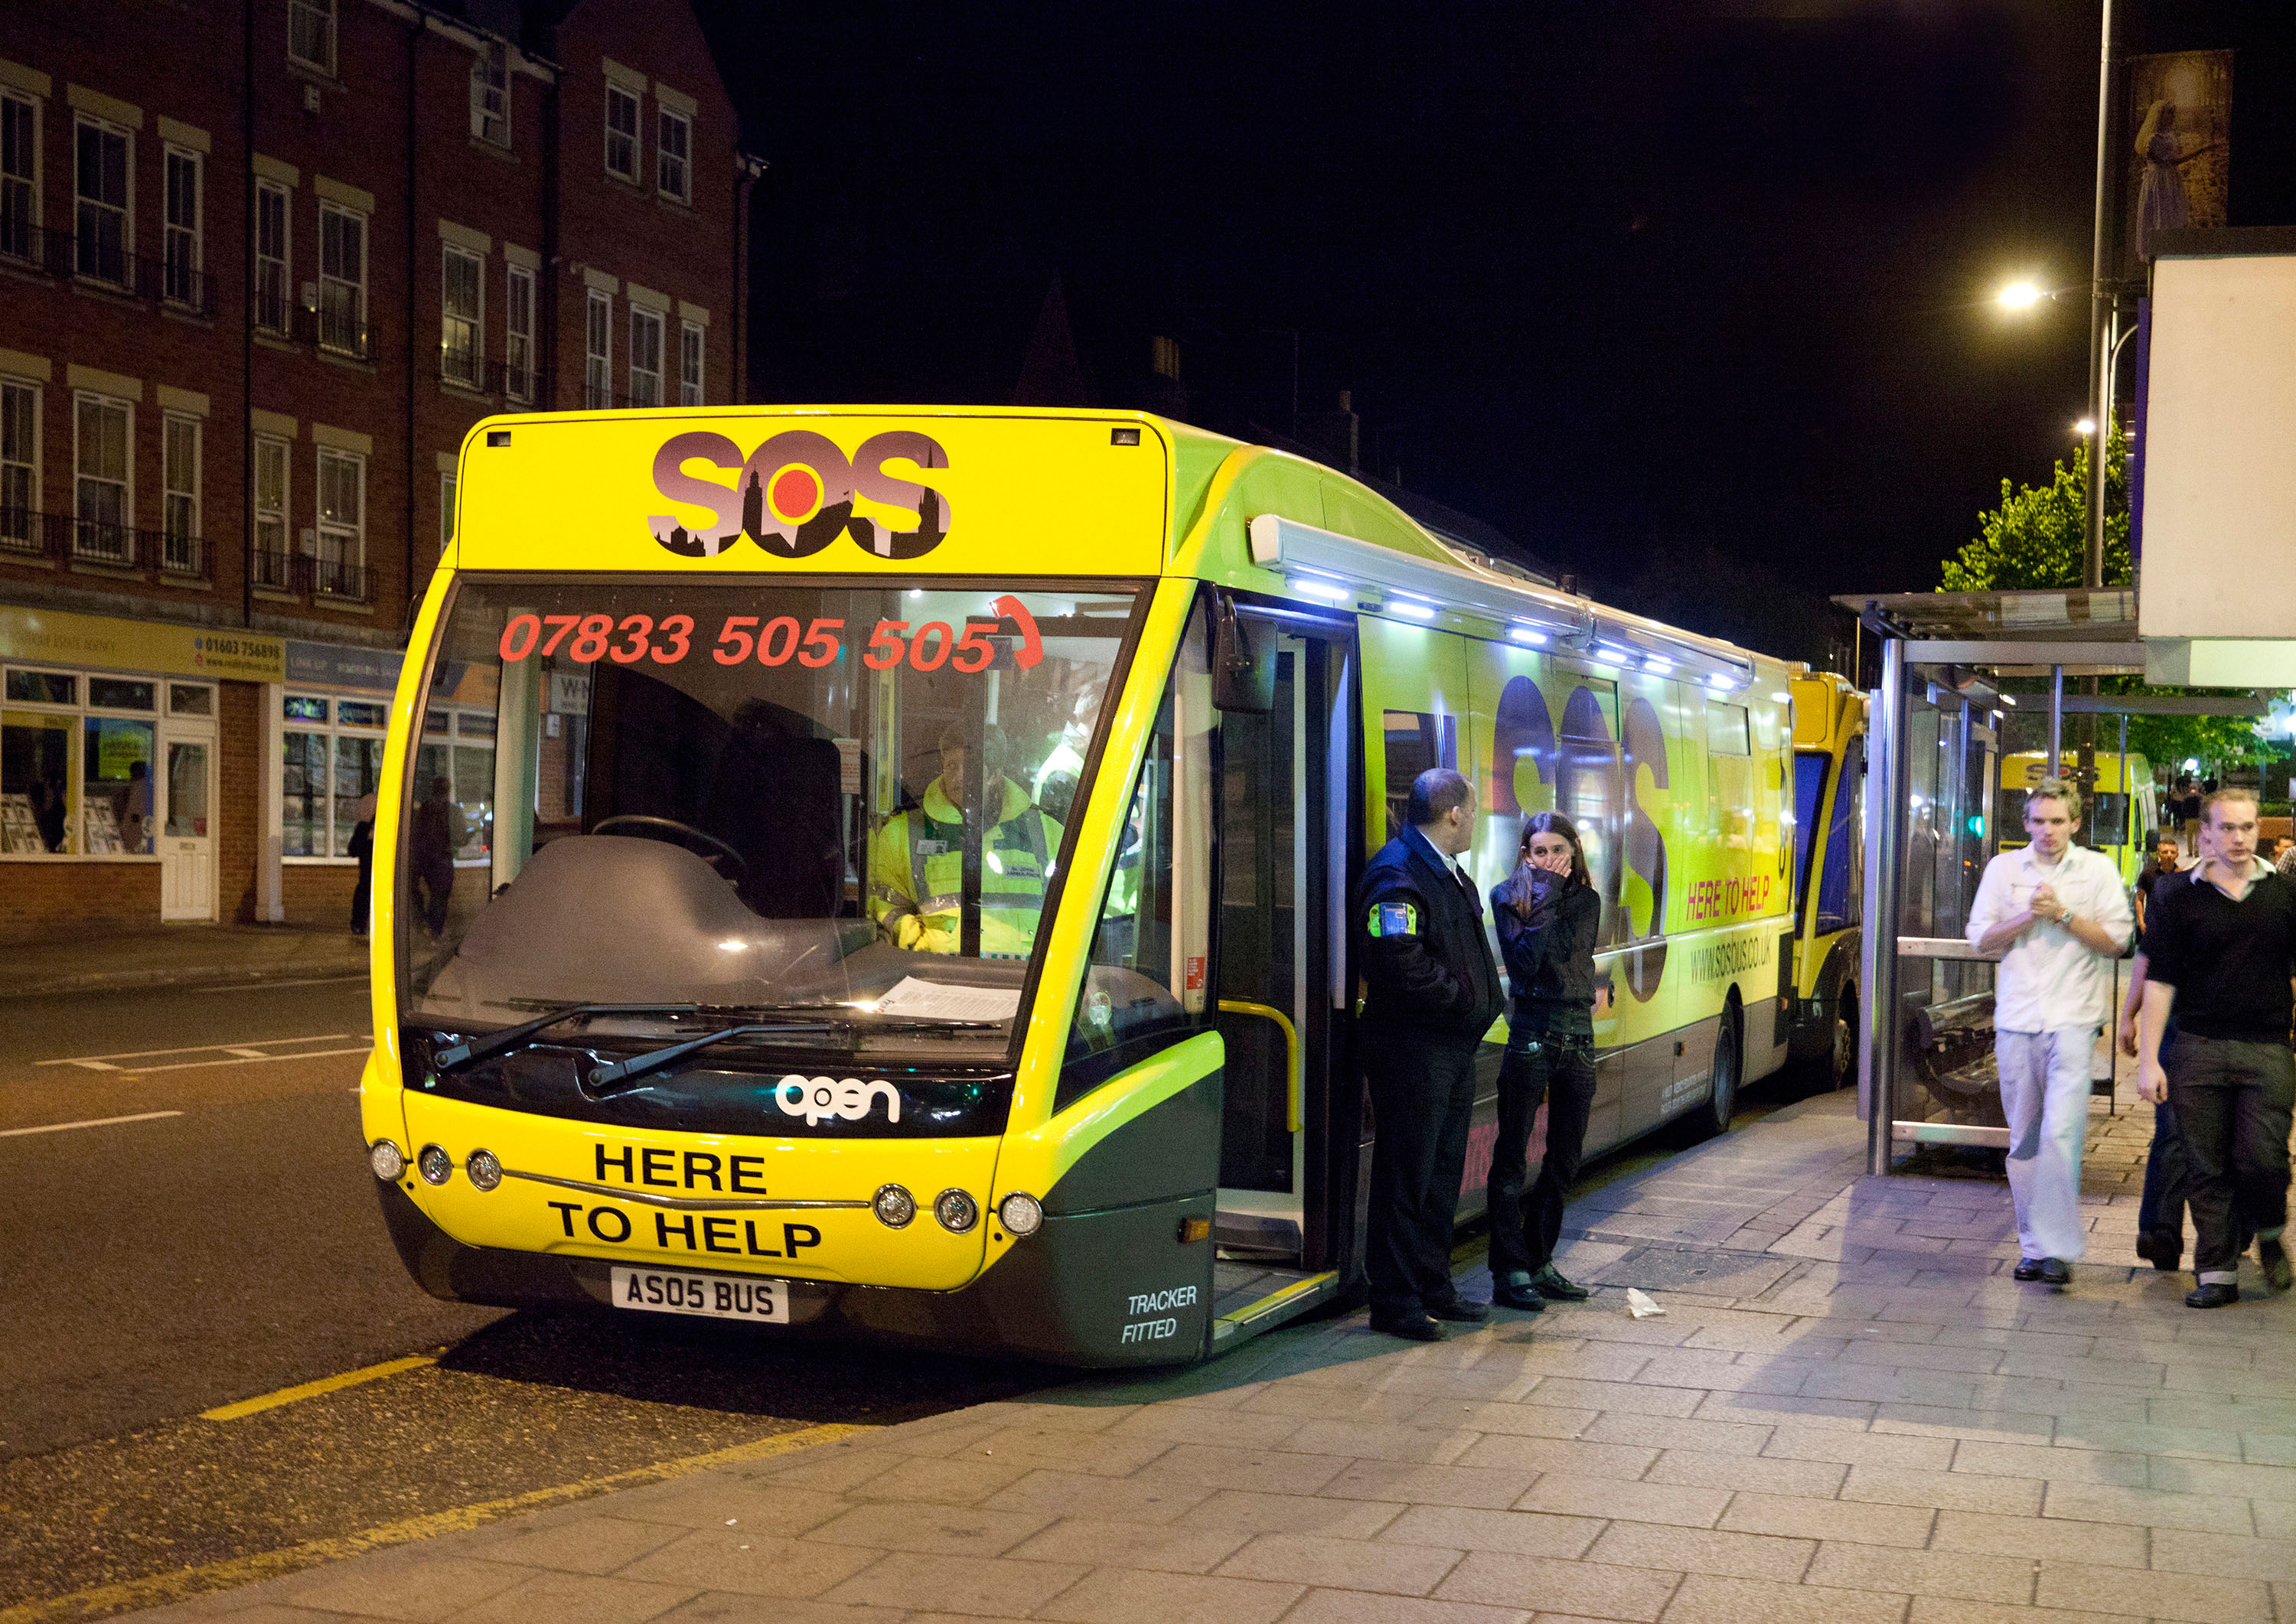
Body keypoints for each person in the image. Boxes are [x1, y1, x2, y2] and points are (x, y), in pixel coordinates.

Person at [1356, 767, 1507, 1342]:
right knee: (1406, 1176)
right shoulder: (1398, 871)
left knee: (1441, 1174)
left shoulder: (1444, 872)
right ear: (1454, 814)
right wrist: (1461, 1000)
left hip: (1450, 1048)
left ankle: (1432, 1286)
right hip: (1414, 1049)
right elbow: (1397, 959)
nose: (1475, 822)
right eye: (1473, 812)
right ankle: (1395, 1302)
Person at [1966, 779, 2133, 1289]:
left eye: (2058, 821)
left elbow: (2118, 941)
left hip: (2074, 1022)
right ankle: (2034, 1248)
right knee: (2025, 1141)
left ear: (2076, 824)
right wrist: (2026, 916)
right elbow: (1980, 939)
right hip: (2018, 1020)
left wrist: (2061, 914)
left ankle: (2057, 1250)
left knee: (2063, 1134)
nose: (2048, 831)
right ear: (2026, 824)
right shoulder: (2003, 869)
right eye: (2039, 821)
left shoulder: (2098, 870)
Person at [2137, 789, 2296, 1306]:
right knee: (2206, 1165)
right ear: (2205, 833)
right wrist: (2147, 1060)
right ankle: (2217, 1270)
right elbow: (2160, 979)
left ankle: (2269, 1231)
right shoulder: (2175, 895)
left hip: (2268, 1048)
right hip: (2198, 1046)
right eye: (2228, 828)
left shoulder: (2285, 894)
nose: (2239, 838)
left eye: (2248, 828)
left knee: (2263, 1159)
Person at [1486, 810, 1602, 1313]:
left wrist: (1552, 896)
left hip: (1578, 1035)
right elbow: (1526, 962)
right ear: (1525, 856)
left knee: (1565, 1158)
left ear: (1574, 852)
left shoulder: (1589, 901)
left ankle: (1538, 1260)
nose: (1550, 860)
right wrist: (1547, 893)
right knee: (1511, 1157)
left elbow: (1572, 961)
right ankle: (1508, 1271)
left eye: (1559, 850)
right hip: (1532, 1033)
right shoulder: (1505, 897)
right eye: (1540, 851)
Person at [869, 723, 1062, 957]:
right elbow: (886, 911)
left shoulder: (1046, 832)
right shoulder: (903, 833)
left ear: (995, 774)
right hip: (939, 982)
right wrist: (927, 950)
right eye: (951, 766)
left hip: (1030, 987)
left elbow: (1074, 911)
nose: (958, 776)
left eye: (970, 766)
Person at [410, 776, 464, 939]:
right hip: (441, 859)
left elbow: (414, 834)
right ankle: (433, 930)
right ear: (448, 790)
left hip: (422, 858)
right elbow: (459, 838)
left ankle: (425, 924)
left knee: (426, 894)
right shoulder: (453, 811)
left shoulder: (422, 810)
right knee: (440, 897)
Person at [2135, 829, 2183, 940]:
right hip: (2152, 927)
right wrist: (2141, 922)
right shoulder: (2148, 874)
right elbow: (2139, 899)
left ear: (2177, 855)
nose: (2169, 855)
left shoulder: (2182, 875)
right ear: (2158, 854)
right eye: (2165, 852)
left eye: (2172, 852)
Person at [347, 791, 378, 938]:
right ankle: (362, 922)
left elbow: (360, 819)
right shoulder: (380, 800)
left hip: (367, 846)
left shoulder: (366, 799)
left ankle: (359, 923)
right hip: (373, 845)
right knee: (367, 886)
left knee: (365, 885)